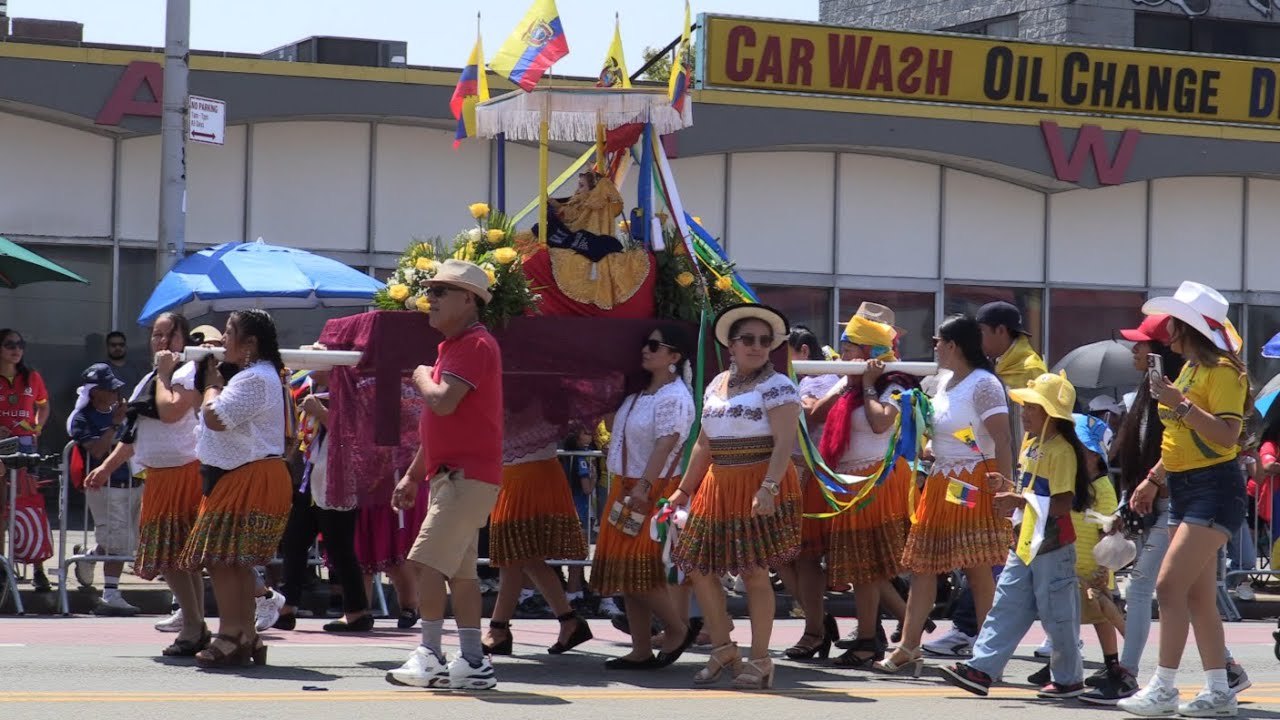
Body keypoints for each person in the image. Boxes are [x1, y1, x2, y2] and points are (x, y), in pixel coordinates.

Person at [1121, 281, 1250, 717]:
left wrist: (1179, 405)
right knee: (1196, 596)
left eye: (1173, 321)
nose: (1167, 330)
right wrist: (1154, 479)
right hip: (1184, 486)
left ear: (1188, 326)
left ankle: (1165, 686)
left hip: (1214, 487)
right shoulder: (1192, 370)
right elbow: (1179, 439)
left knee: (1168, 586)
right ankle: (1218, 690)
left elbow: (1228, 435)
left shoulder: (1224, 373)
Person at [668, 303, 803, 690]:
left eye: (765, 340)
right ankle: (724, 646)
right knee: (697, 566)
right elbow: (703, 443)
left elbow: (783, 444)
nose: (758, 346)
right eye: (748, 339)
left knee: (755, 572)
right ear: (731, 344)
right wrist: (683, 489)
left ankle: (760, 659)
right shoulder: (716, 384)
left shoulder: (778, 386)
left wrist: (769, 488)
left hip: (758, 480)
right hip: (718, 483)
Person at [385, 259, 504, 691]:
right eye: (429, 290)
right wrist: (414, 476)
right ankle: (472, 661)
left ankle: (431, 655)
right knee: (461, 573)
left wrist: (418, 376)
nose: (429, 299)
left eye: (440, 291)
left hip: (464, 478)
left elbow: (442, 402)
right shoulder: (458, 346)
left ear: (468, 300)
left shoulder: (473, 345)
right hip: (456, 476)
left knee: (424, 563)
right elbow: (440, 426)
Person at [877, 315, 1013, 676]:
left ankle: (987, 656)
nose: (934, 346)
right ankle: (909, 646)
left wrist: (1006, 485)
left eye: (938, 341)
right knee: (924, 565)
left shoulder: (985, 384)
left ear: (954, 345)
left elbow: (1002, 437)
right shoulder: (945, 382)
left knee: (977, 566)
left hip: (973, 481)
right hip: (942, 481)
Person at [939, 371, 1089, 699]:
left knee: (1057, 614)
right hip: (1024, 540)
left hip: (1053, 544)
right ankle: (981, 669)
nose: (1024, 411)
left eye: (1032, 407)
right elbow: (1031, 490)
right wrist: (1006, 487)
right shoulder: (1032, 444)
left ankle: (1069, 678)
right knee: (1005, 604)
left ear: (1050, 413)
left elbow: (1064, 501)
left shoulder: (1062, 450)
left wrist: (1017, 499)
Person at [928, 301, 1047, 658]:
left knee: (1001, 557)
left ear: (1000, 331)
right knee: (981, 558)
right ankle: (972, 631)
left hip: (1014, 472)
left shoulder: (1026, 369)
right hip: (971, 474)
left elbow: (1014, 432)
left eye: (981, 332)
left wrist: (1011, 482)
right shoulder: (985, 371)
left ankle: (1052, 631)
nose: (976, 339)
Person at [87, 312, 209, 652]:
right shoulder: (153, 376)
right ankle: (193, 623)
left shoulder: (186, 370)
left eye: (169, 335)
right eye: (157, 335)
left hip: (182, 472)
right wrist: (107, 467)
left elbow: (171, 413)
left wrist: (167, 373)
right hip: (159, 473)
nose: (161, 342)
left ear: (184, 339)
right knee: (174, 559)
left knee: (172, 558)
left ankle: (193, 626)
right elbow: (133, 432)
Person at [180, 309, 292, 669]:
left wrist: (212, 382)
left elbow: (216, 418)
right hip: (243, 474)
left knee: (222, 558)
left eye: (229, 333)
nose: (222, 340)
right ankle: (246, 635)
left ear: (250, 343)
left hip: (249, 475)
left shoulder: (255, 379)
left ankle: (231, 634)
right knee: (233, 561)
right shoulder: (257, 376)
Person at [820, 305, 920, 668]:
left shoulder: (895, 382)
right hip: (850, 481)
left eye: (849, 348)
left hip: (877, 480)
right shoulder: (846, 383)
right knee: (865, 568)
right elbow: (816, 414)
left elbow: (881, 424)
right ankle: (886, 634)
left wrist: (864, 387)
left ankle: (877, 637)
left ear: (868, 352)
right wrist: (849, 384)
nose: (842, 354)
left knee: (870, 568)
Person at [593, 324, 698, 670]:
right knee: (627, 574)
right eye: (645, 344)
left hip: (650, 489)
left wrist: (644, 488)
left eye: (655, 345)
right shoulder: (640, 394)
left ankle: (678, 628)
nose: (646, 350)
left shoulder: (675, 397)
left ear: (675, 356)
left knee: (639, 570)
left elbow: (665, 444)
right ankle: (640, 648)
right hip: (625, 487)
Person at [275, 359, 372, 633]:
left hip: (337, 481)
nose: (309, 364)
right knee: (294, 542)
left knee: (340, 549)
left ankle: (357, 611)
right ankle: (287, 606)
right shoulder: (303, 387)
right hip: (307, 478)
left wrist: (322, 411)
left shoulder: (353, 393)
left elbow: (356, 434)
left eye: (318, 358)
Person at [777, 324, 840, 660]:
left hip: (808, 474)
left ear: (801, 351)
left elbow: (814, 414)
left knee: (803, 558)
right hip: (794, 473)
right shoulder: (806, 378)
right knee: (785, 556)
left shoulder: (817, 378)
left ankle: (815, 628)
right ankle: (818, 622)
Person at [68, 363, 143, 616]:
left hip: (133, 482)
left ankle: (87, 557)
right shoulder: (81, 418)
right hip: (104, 485)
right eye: (109, 389)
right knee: (117, 543)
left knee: (125, 540)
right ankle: (110, 594)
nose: (114, 394)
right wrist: (114, 423)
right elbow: (98, 452)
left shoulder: (124, 413)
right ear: (95, 391)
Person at [0, 328, 52, 591]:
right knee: (1, 511)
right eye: (9, 344)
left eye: (20, 344)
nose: (16, 349)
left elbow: (44, 405)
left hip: (26, 447)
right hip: (0, 449)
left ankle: (39, 570)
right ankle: (2, 569)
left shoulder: (31, 376)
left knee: (30, 507)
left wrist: (37, 427)